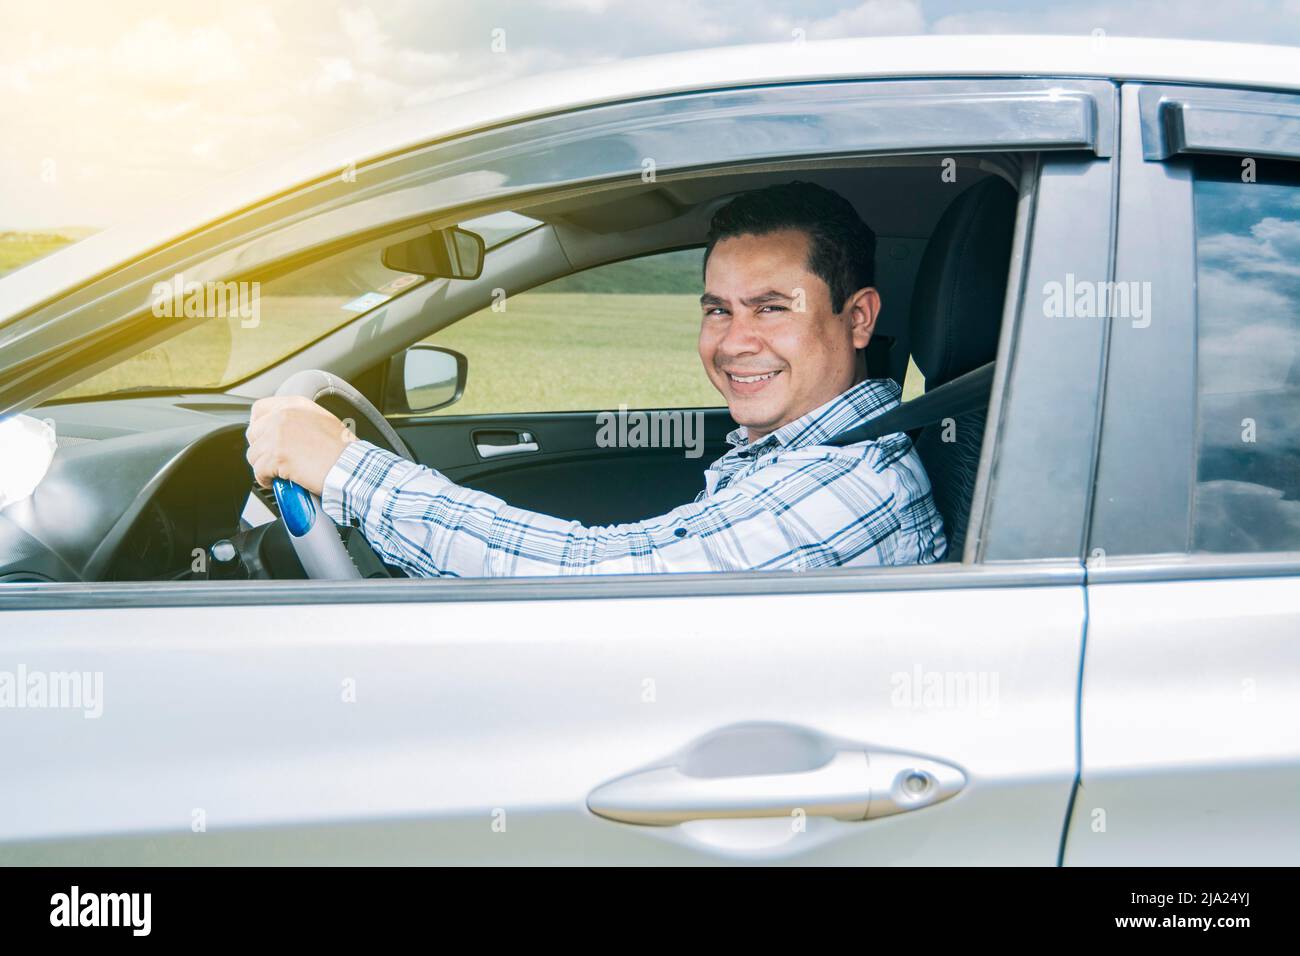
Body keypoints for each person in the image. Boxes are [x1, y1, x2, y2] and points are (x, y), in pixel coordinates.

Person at [245, 181, 946, 576]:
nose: (735, 342)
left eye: (771, 308)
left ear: (858, 319)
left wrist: (344, 468)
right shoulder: (803, 452)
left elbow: (591, 584)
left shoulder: (850, 485)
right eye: (717, 310)